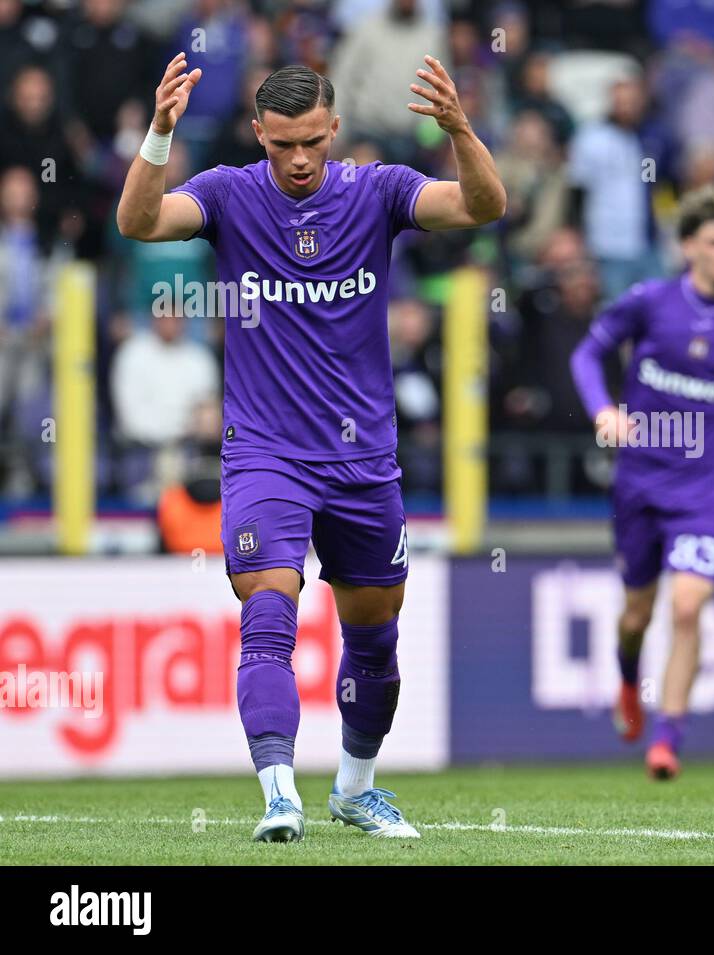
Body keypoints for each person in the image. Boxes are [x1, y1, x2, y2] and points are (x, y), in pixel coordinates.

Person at [116, 53, 505, 842]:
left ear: (335, 130)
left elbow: (483, 206)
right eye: (281, 144)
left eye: (312, 143)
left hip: (364, 463)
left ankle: (356, 789)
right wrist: (159, 133)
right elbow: (138, 223)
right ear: (259, 134)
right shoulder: (228, 193)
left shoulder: (381, 190)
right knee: (268, 610)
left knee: (374, 633)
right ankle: (279, 792)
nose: (297, 160)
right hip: (266, 454)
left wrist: (460, 128)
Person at [569, 186, 714, 781]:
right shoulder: (649, 302)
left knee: (689, 606)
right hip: (639, 483)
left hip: (706, 491)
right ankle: (626, 682)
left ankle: (667, 741)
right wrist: (603, 410)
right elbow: (587, 356)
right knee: (637, 615)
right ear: (688, 246)